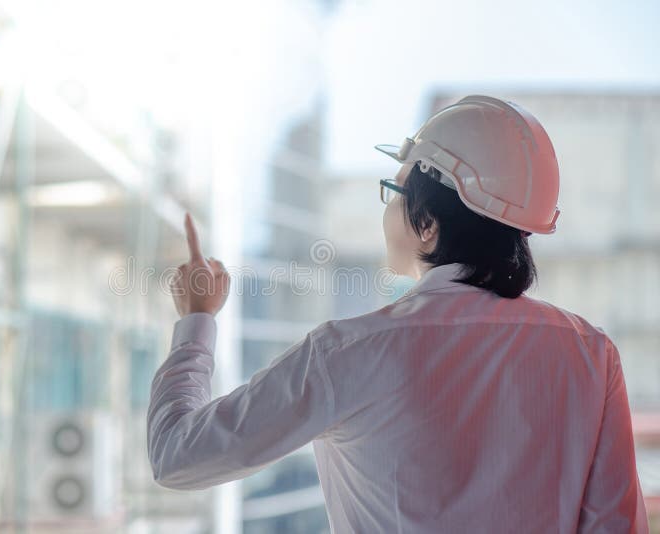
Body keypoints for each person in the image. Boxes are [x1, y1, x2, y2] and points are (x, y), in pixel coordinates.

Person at [147, 95, 648, 532]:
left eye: (395, 191)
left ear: (427, 223)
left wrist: (197, 320)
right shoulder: (591, 353)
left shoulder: (350, 351)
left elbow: (178, 456)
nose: (387, 208)